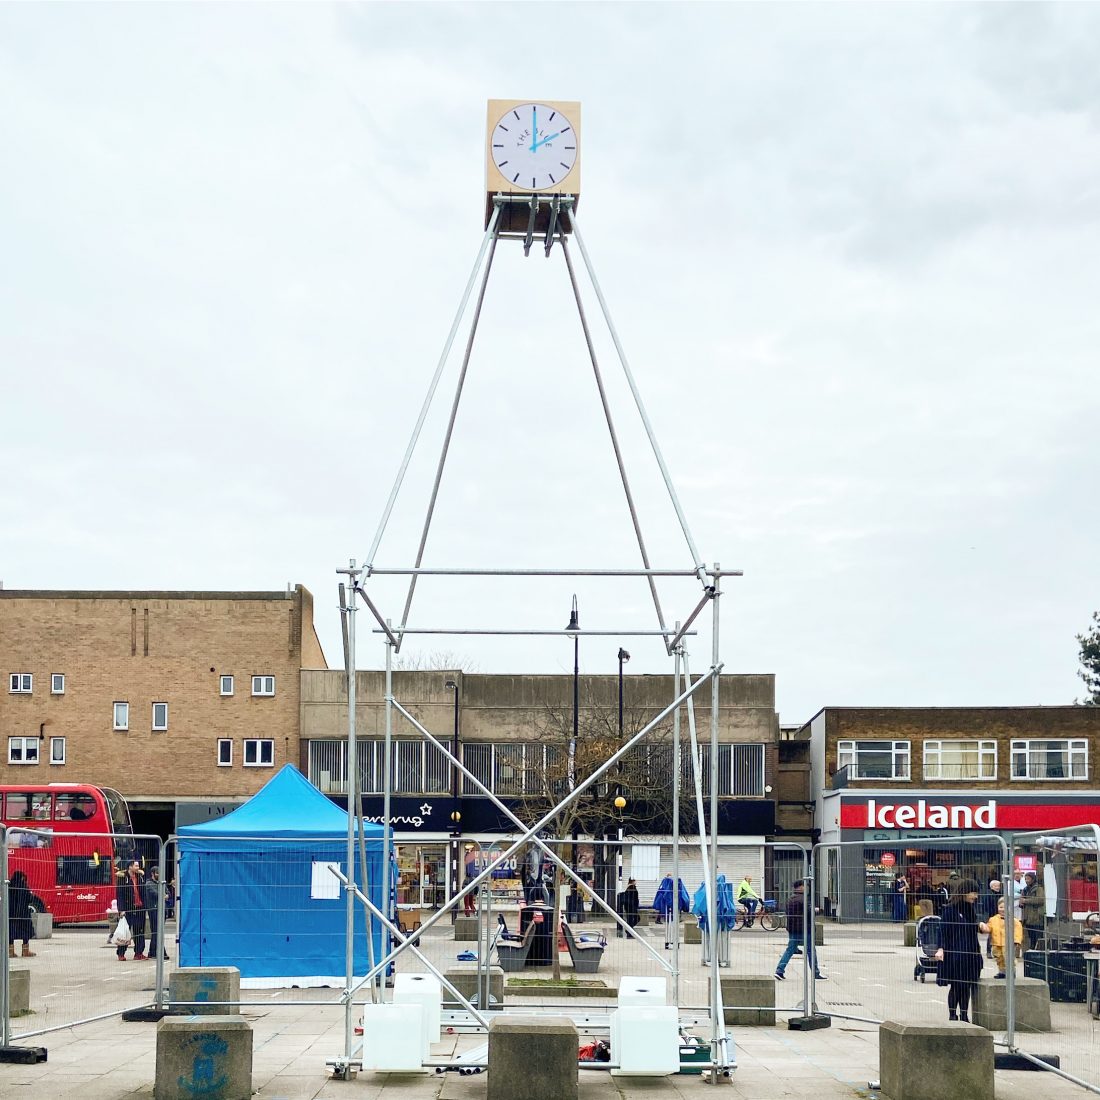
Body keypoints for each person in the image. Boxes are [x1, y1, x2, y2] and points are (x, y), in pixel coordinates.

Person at [934, 877, 983, 1022]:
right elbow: (943, 930)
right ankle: (952, 1014)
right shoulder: (950, 909)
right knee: (956, 985)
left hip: (970, 952)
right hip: (955, 953)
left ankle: (964, 1014)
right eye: (973, 893)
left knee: (966, 986)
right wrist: (940, 948)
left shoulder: (970, 909)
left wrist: (979, 927)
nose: (975, 896)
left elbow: (970, 926)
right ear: (965, 892)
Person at [774, 880, 825, 982]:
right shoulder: (804, 899)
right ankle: (815, 973)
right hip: (805, 929)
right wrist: (817, 911)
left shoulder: (790, 899)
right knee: (811, 950)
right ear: (801, 887)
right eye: (805, 886)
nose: (807, 888)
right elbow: (809, 913)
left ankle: (779, 970)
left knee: (790, 950)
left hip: (793, 929)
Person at [979, 897, 1022, 979]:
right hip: (996, 943)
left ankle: (1011, 971)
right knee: (999, 958)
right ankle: (1002, 972)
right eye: (1001, 907)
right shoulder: (993, 919)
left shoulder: (1014, 921)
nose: (1003, 909)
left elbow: (1018, 932)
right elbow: (989, 928)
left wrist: (1016, 941)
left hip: (1008, 943)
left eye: (1005, 907)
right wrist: (983, 927)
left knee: (1009, 958)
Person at [115, 860, 148, 961]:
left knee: (139, 931)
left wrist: (145, 906)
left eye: (138, 866)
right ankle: (121, 953)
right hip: (128, 909)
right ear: (130, 867)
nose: (138, 868)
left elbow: (144, 892)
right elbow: (119, 895)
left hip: (139, 908)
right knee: (125, 931)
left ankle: (138, 953)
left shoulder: (141, 877)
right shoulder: (122, 878)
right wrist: (121, 910)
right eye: (136, 866)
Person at [7, 870, 35, 958]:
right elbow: (29, 899)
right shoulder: (23, 887)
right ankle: (25, 951)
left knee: (11, 931)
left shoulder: (9, 887)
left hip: (11, 913)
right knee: (25, 931)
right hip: (23, 913)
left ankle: (10, 952)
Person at [143, 867, 168, 960]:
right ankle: (161, 952)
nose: (159, 875)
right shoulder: (149, 884)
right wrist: (163, 895)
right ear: (153, 873)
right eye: (157, 873)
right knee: (157, 931)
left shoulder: (162, 883)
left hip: (162, 909)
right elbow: (157, 894)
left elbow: (167, 893)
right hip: (154, 910)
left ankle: (152, 952)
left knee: (157, 932)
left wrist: (165, 895)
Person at [1020, 871, 1046, 951]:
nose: (1027, 880)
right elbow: (1022, 900)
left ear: (1033, 879)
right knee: (1030, 937)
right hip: (1028, 918)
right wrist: (1021, 903)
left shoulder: (1038, 888)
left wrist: (1026, 901)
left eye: (1028, 879)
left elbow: (1040, 900)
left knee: (1037, 937)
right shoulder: (1025, 889)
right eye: (1025, 879)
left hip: (1036, 917)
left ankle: (1037, 952)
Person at [981, 879, 1003, 958]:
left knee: (1000, 934)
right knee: (991, 934)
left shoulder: (1001, 894)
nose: (998, 887)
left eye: (999, 886)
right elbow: (985, 907)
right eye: (996, 886)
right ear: (992, 887)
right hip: (991, 917)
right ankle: (988, 951)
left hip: (1000, 916)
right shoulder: (988, 895)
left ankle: (997, 951)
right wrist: (987, 918)